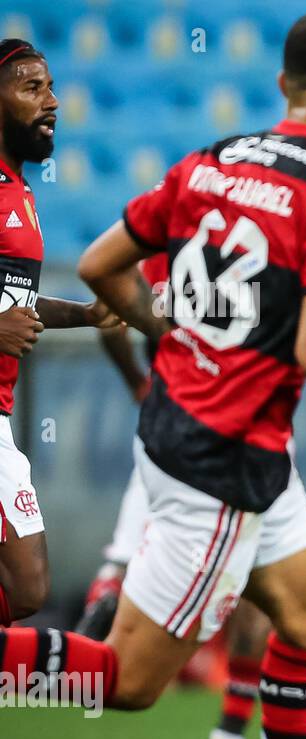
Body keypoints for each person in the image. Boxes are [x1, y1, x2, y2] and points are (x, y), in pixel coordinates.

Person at [0, 11, 306, 739]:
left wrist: (170, 332)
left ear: (284, 86)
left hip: (197, 429)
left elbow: (100, 267)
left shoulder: (212, 161)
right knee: (127, 679)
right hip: (223, 456)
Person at [77, 252, 272, 739]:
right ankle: (230, 733)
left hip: (170, 426)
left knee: (123, 568)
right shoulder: (257, 245)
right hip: (235, 438)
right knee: (267, 596)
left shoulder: (160, 248)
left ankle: (93, 623)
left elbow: (109, 316)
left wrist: (139, 383)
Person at [0, 38, 121, 626]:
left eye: (50, 87)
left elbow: (16, 303)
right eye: (31, 88)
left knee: (26, 590)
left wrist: (85, 314)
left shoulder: (19, 191)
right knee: (27, 584)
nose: (51, 101)